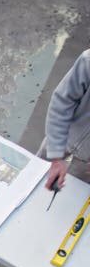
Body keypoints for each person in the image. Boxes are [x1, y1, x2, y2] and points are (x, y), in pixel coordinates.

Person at [39, 49, 90, 188]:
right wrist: (55, 155)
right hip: (60, 138)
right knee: (30, 184)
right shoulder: (88, 61)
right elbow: (62, 103)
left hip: (85, 167)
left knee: (70, 205)